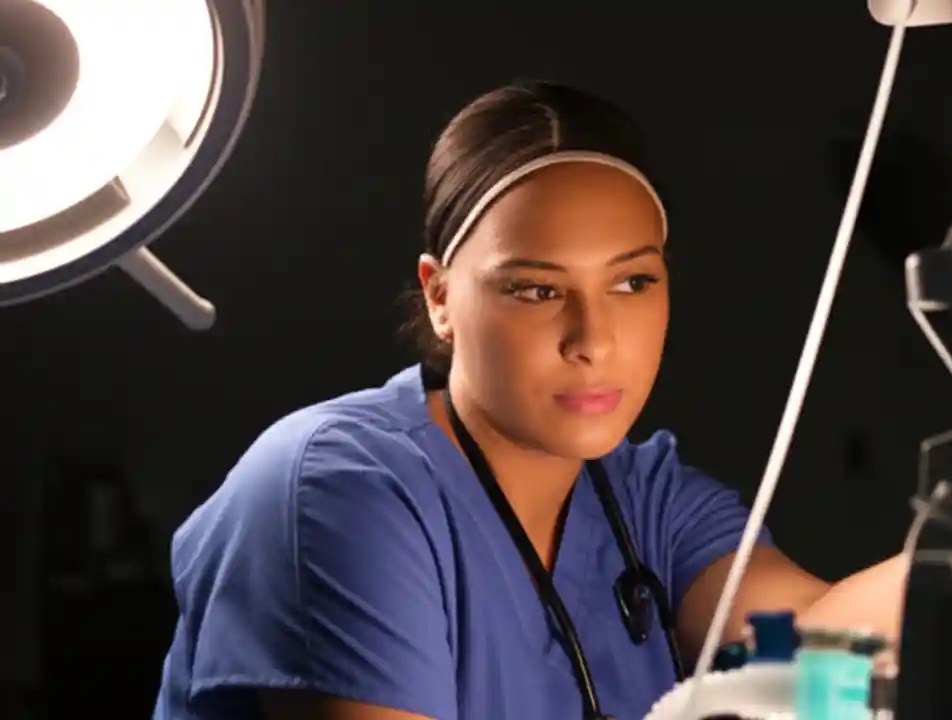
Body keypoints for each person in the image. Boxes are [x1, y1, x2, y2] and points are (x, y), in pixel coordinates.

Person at [151, 79, 908, 720]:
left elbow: (814, 644)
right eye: (537, 289)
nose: (593, 338)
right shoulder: (338, 490)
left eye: (632, 282)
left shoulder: (644, 500)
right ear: (440, 296)